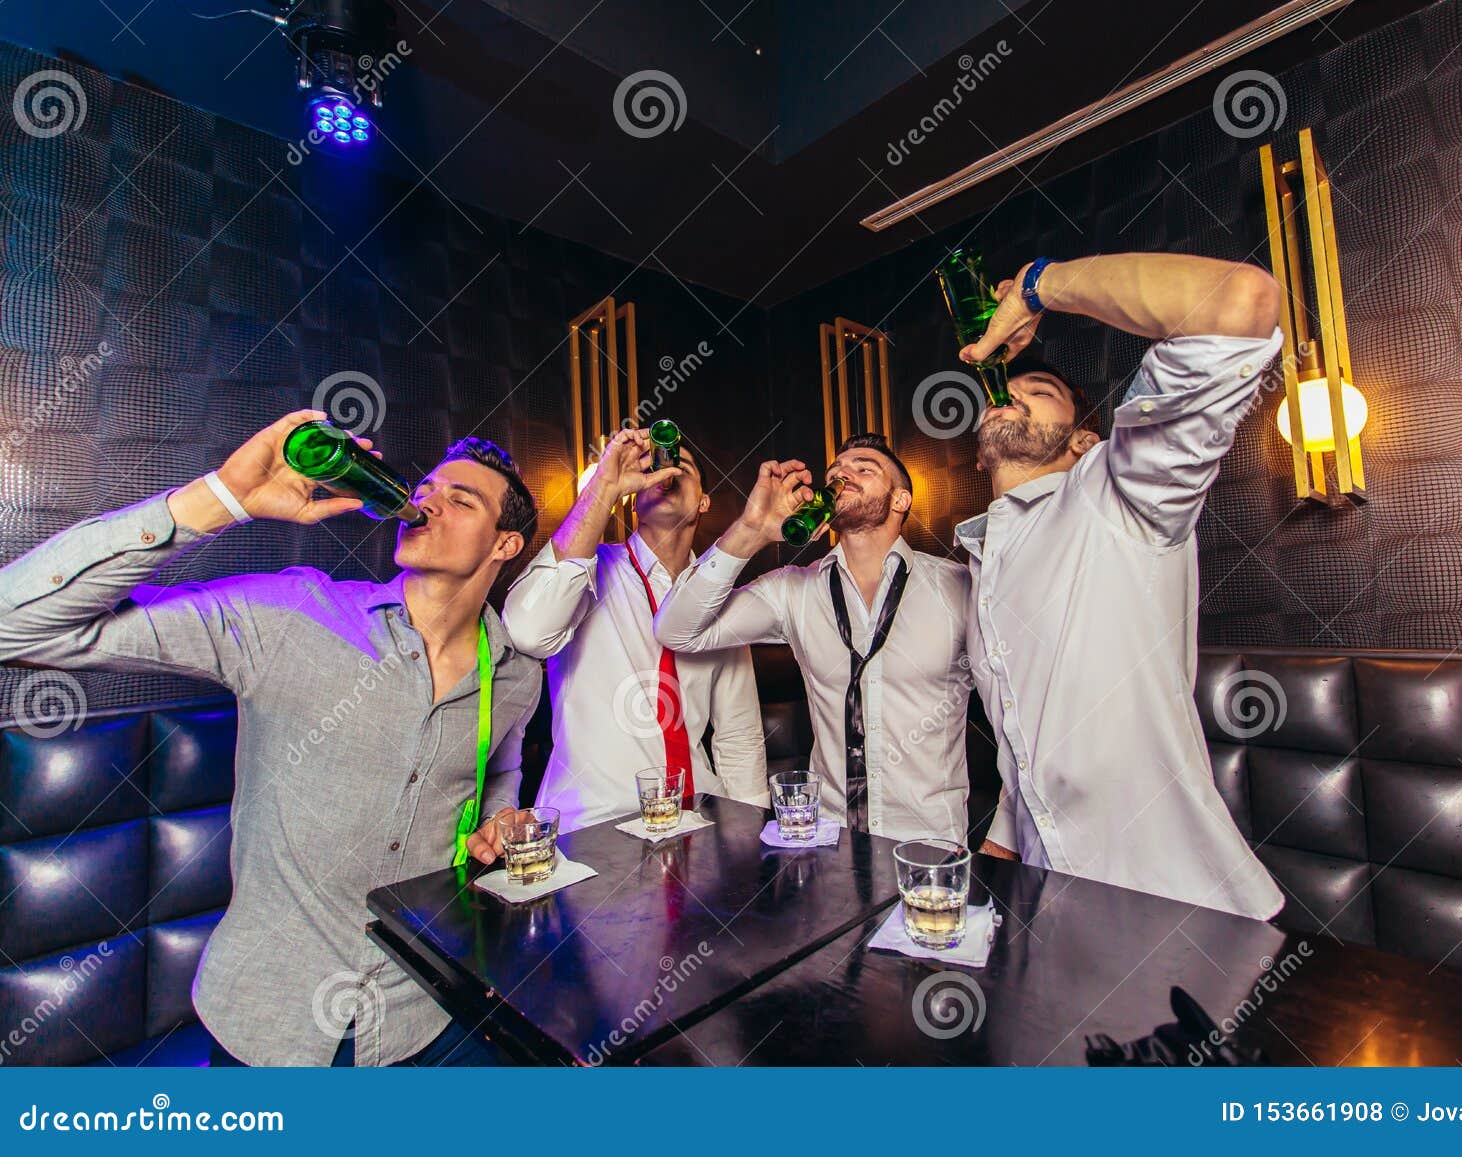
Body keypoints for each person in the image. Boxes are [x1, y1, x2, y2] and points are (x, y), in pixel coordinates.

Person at [0, 410, 548, 1065]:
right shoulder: (289, 616)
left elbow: (501, 769)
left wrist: (499, 823)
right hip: (271, 1028)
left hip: (426, 1019)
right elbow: (16, 626)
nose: (427, 499)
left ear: (503, 545)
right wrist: (222, 498)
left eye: (460, 499)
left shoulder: (518, 675)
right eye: (427, 486)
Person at [955, 250, 1286, 921]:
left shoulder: (1119, 492)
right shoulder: (984, 563)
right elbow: (1029, 761)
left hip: (1187, 923)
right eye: (1012, 387)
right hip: (1058, 924)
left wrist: (1038, 284)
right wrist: (987, 881)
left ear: (1083, 442)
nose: (1011, 388)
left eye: (1039, 391)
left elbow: (1241, 300)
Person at [654, 433, 972, 845]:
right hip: (828, 842)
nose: (843, 473)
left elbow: (1014, 708)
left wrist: (1005, 830)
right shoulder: (792, 591)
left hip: (930, 847)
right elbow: (677, 631)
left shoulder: (957, 587)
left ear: (900, 500)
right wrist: (752, 530)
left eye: (864, 468)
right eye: (837, 470)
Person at [502, 428, 766, 828]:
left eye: (684, 466)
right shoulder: (588, 570)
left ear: (703, 503)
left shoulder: (721, 598)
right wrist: (603, 489)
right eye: (658, 465)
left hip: (697, 818)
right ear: (634, 497)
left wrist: (750, 835)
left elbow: (738, 733)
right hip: (593, 824)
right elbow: (526, 631)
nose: (669, 470)